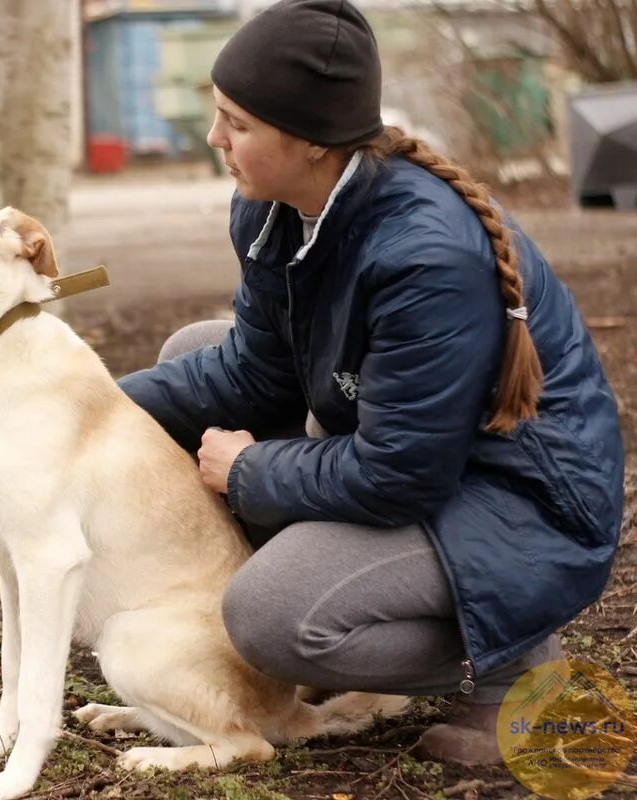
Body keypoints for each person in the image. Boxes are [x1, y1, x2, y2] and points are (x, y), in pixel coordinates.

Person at [117, 0, 624, 766]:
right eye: (216, 116)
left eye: (239, 124)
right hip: (420, 456)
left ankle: (519, 670)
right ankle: (380, 603)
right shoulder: (274, 208)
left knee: (271, 619)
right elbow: (254, 371)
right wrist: (91, 409)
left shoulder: (425, 257)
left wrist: (250, 471)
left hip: (521, 503)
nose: (216, 139)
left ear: (313, 141)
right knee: (188, 350)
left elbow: (399, 475)